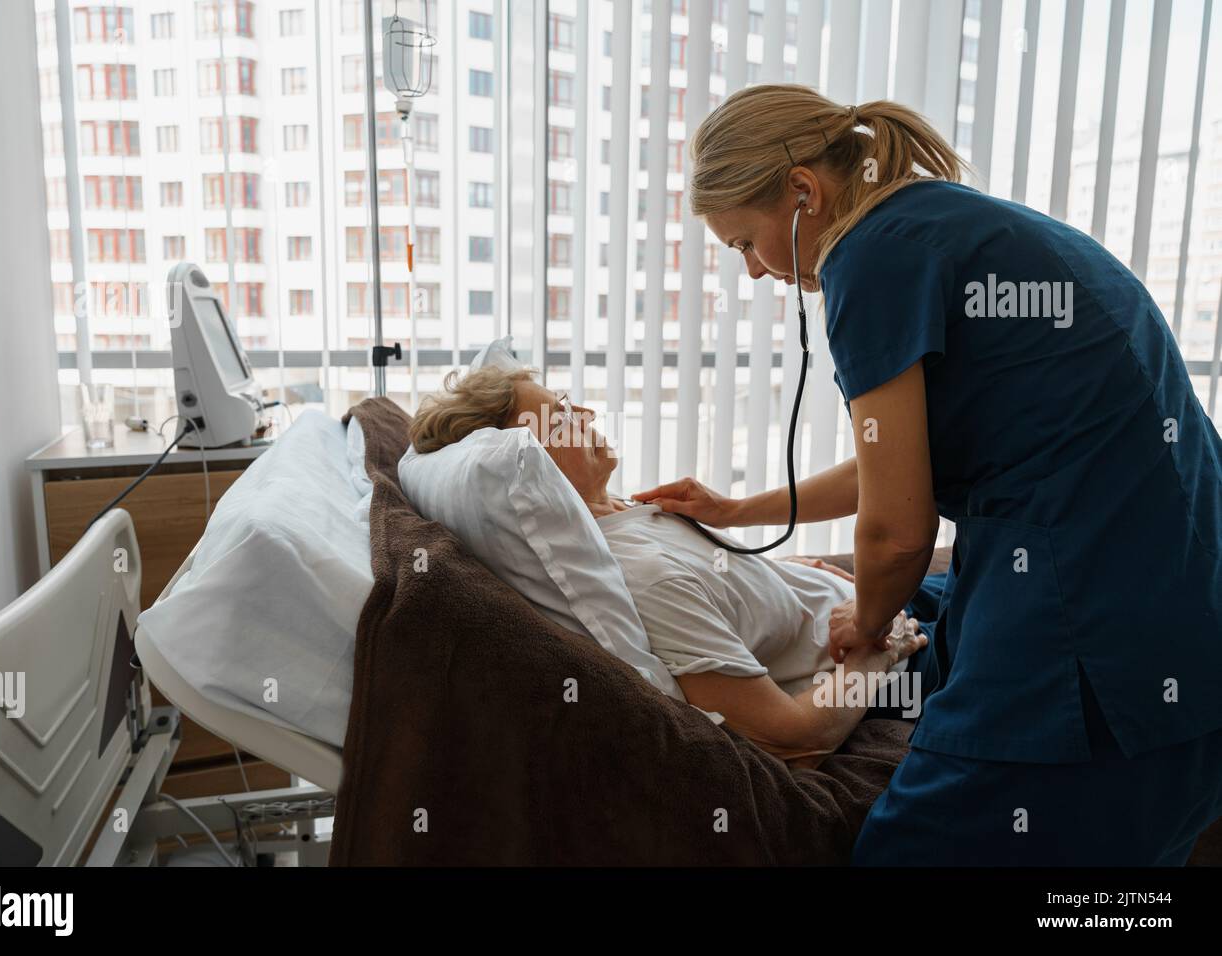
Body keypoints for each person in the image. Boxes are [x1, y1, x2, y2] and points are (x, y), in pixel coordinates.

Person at [633, 83, 1222, 865]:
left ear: (803, 192)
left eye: (744, 241)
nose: (751, 271)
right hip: (1187, 607)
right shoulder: (942, 222)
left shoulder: (871, 257)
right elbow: (897, 465)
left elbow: (898, 530)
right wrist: (740, 509)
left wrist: (868, 622)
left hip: (1104, 633)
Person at [409, 365, 939, 767]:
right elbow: (791, 737)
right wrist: (878, 646)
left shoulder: (630, 511)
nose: (585, 415)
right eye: (561, 412)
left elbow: (721, 593)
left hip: (874, 604)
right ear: (530, 457)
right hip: (904, 660)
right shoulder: (643, 578)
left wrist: (782, 575)